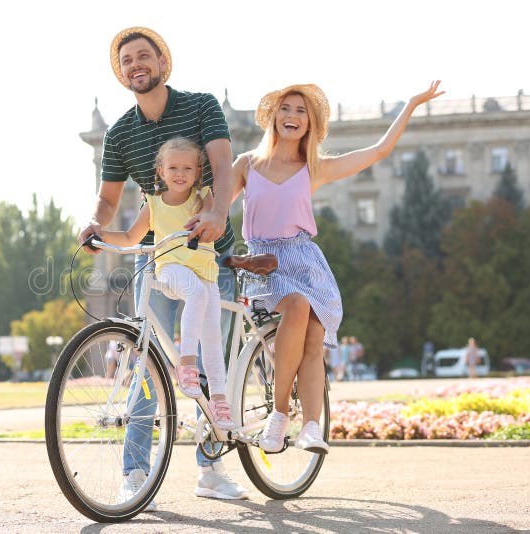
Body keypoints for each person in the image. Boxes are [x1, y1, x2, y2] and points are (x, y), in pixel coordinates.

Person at [77, 27, 246, 507]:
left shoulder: (201, 106)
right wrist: (95, 225)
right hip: (160, 259)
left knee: (208, 363)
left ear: (161, 62)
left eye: (143, 56)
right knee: (144, 364)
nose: (136, 65)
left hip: (210, 256)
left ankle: (211, 470)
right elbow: (108, 199)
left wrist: (217, 213)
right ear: (121, 72)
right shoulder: (119, 133)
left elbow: (224, 166)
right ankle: (136, 474)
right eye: (127, 60)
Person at [231, 81, 444, 454]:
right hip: (264, 262)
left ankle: (311, 428)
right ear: (274, 117)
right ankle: (279, 415)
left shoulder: (314, 168)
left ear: (310, 123)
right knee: (297, 306)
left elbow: (379, 151)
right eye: (286, 109)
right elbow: (216, 205)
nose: (292, 116)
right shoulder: (247, 164)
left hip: (305, 261)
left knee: (314, 338)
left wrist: (411, 104)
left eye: (301, 111)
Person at [99, 137, 235, 429]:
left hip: (204, 270)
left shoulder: (203, 196)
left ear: (197, 172)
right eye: (173, 168)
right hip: (171, 269)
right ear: (160, 171)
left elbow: (213, 217)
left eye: (187, 168)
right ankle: (186, 364)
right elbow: (130, 237)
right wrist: (99, 235)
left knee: (213, 340)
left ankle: (219, 401)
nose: (180, 174)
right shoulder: (154, 204)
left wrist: (209, 216)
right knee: (195, 294)